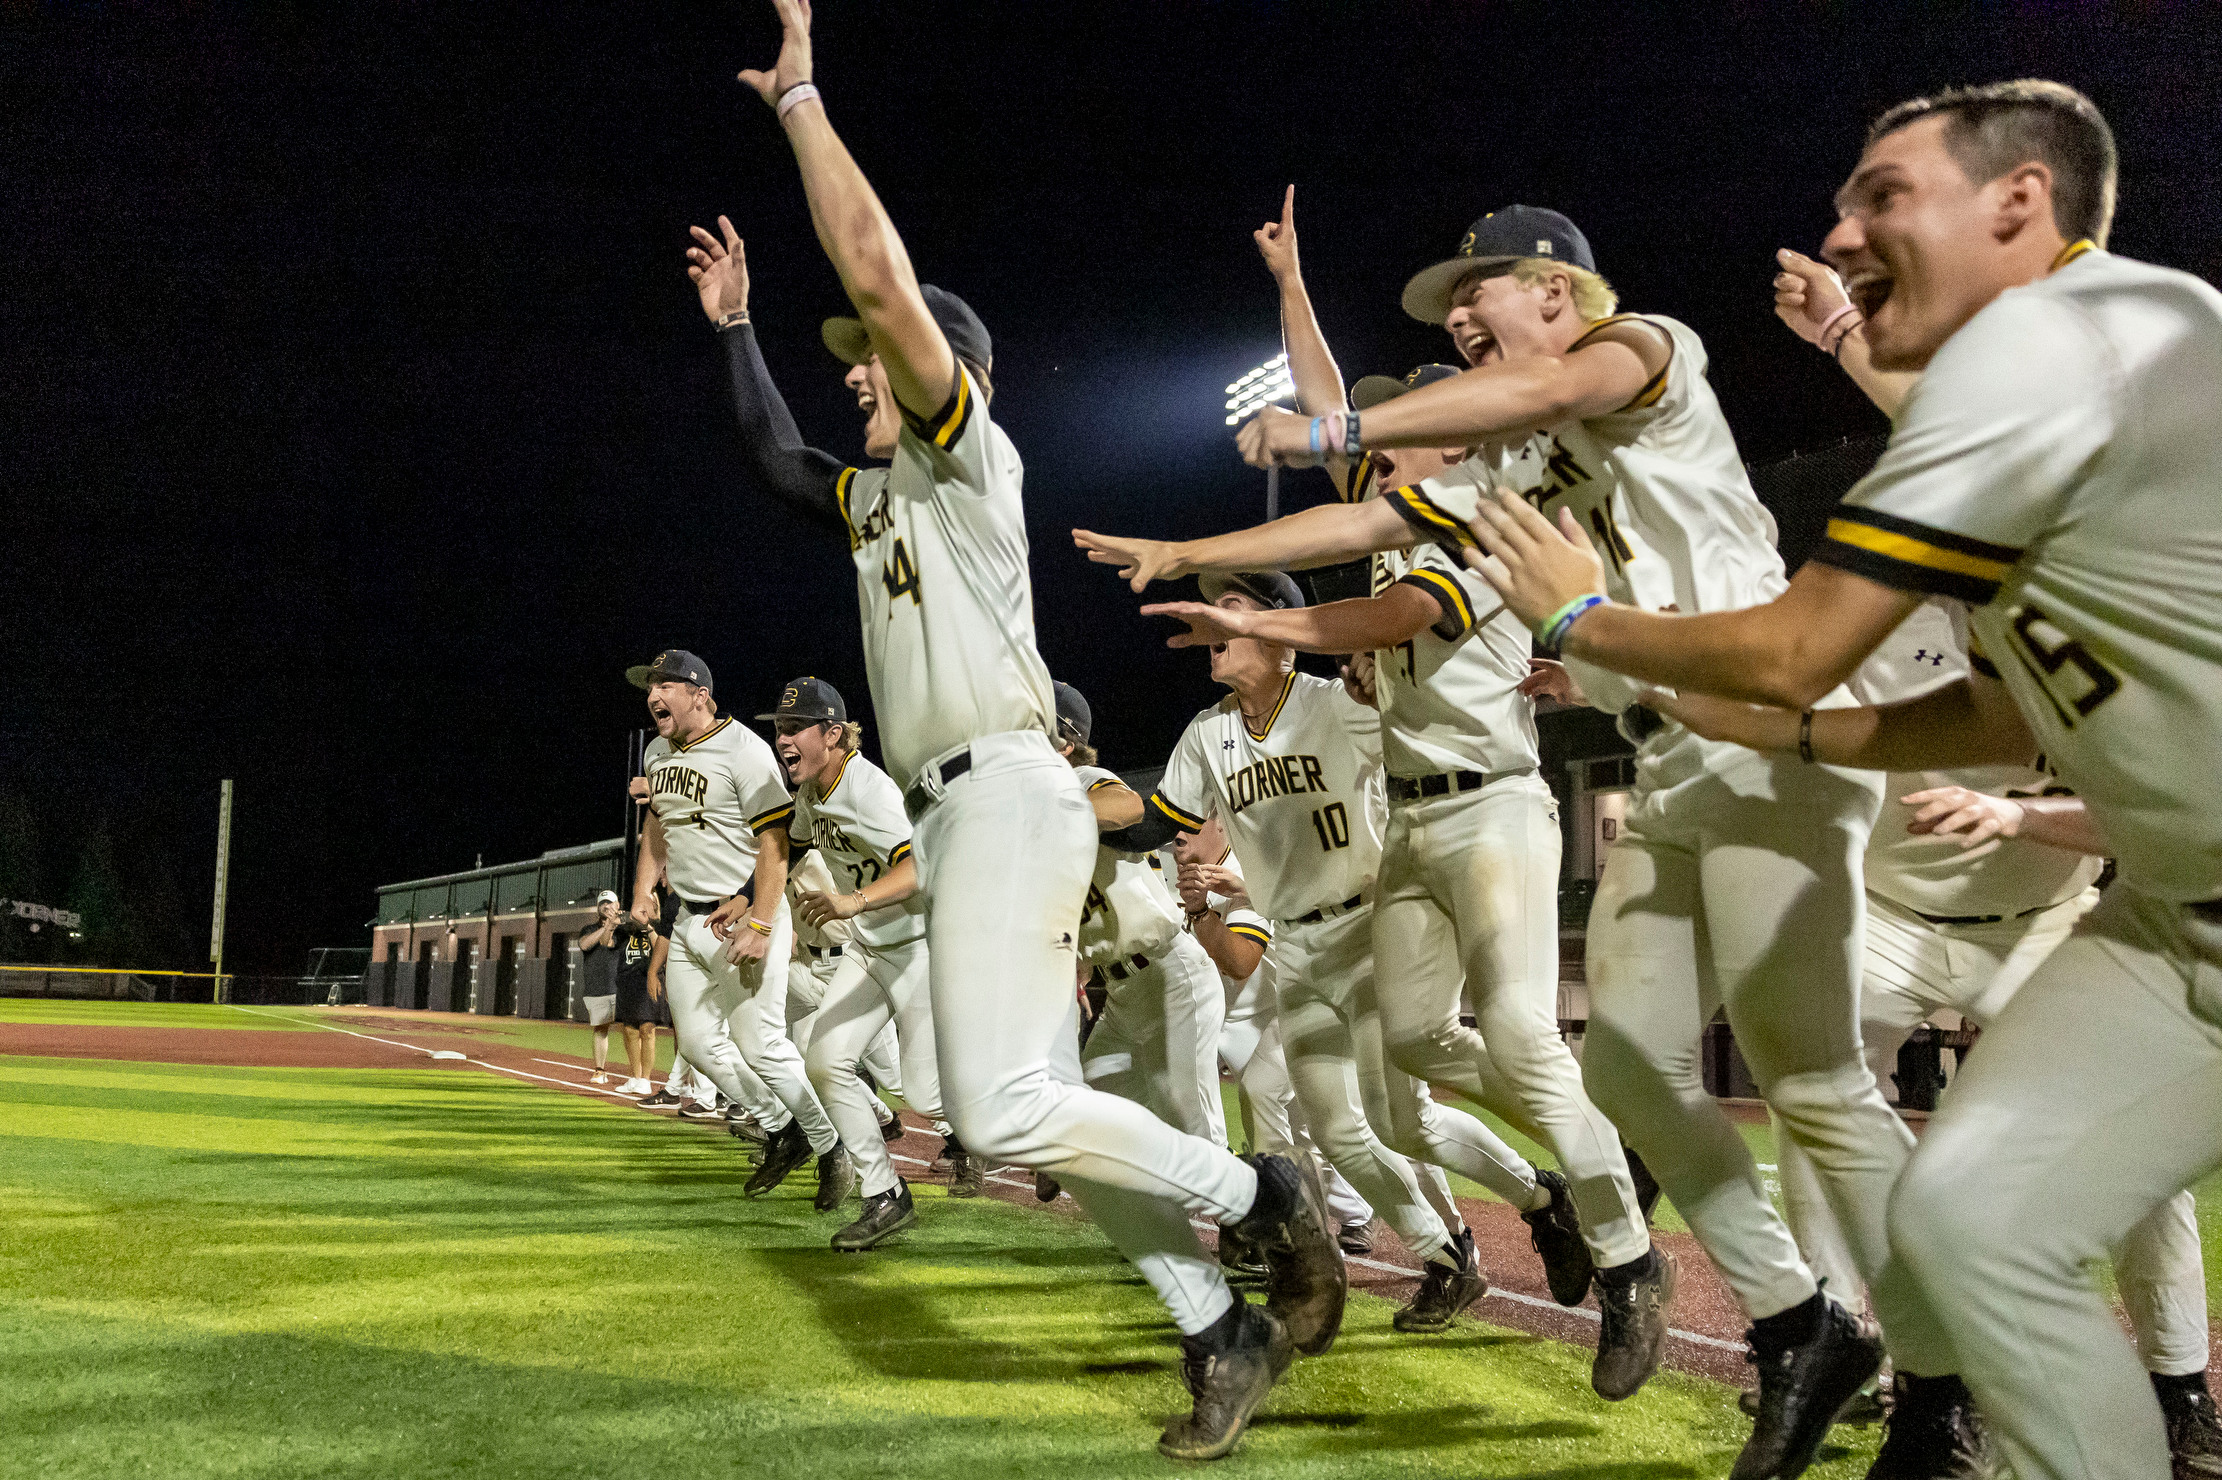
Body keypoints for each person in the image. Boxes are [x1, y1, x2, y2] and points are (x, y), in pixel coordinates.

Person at [1079, 200, 1932, 1479]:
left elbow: (1472, 427)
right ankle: (1800, 1322)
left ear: (1555, 286)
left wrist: (1336, 426)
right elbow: (1365, 518)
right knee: (1631, 1073)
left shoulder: (1642, 345)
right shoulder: (1511, 470)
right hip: (1668, 758)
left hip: (1762, 730)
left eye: (1475, 291)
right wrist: (1192, 545)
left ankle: (1943, 1376)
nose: (1457, 315)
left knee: (1805, 1082)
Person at [1454, 79, 2222, 1480]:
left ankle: (2133, 1396)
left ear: (2018, 201)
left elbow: (1802, 643)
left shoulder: (2084, 323)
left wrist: (1578, 622)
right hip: (2173, 921)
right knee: (1967, 1222)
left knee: (1902, 1151)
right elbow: (1990, 711)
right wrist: (1793, 737)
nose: (1842, 224)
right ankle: (1922, 1384)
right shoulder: (2057, 387)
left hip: (2131, 911)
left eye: (1883, 193)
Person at [695, 5, 1346, 1457]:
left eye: (870, 355)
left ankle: (1268, 1201)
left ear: (937, 369)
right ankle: (1217, 1329)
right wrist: (738, 332)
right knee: (1043, 1103)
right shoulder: (876, 503)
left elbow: (877, 272)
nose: (854, 367)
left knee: (993, 1112)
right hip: (963, 806)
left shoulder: (962, 452)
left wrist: (801, 107)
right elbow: (771, 454)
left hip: (1003, 792)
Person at [1128, 187, 1663, 1371]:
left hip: (1494, 801)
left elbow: (1399, 611)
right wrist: (1289, 288)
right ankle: (1572, 1156)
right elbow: (1328, 412)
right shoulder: (1395, 511)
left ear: (1452, 432)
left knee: (1517, 1035)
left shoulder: (1487, 512)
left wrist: (1272, 617)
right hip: (1412, 829)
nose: (1371, 439)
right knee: (1418, 1048)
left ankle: (1627, 1253)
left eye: (1398, 423)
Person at [1100, 569, 1551, 1343]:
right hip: (1295, 943)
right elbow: (1150, 824)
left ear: (1281, 632)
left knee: (1400, 1119)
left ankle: (1549, 1198)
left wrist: (1397, 698)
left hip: (1370, 925)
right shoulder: (1207, 732)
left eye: (1234, 610)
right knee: (1338, 1129)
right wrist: (1063, 809)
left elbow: (1422, 752)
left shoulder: (1332, 703)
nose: (1217, 625)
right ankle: (1447, 1258)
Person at [625, 647, 848, 1208]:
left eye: (665, 685)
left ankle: (833, 1148)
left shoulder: (745, 749)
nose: (653, 695)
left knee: (762, 1044)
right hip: (688, 920)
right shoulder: (657, 751)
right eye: (650, 686)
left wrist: (762, 919)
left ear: (700, 694)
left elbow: (777, 844)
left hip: (740, 923)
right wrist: (643, 886)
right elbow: (657, 822)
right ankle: (783, 1129)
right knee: (699, 1045)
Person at [767, 676, 946, 1249]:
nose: (783, 738)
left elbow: (917, 868)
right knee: (824, 1060)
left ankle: (1062, 1148)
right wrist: (752, 901)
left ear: (835, 733)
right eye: (780, 728)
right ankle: (885, 1195)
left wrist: (852, 901)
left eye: (796, 728)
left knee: (931, 1095)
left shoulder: (869, 790)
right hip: (872, 950)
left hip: (919, 946)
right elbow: (791, 844)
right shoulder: (812, 793)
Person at [1058, 682, 1230, 1147]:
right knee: (1083, 1102)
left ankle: (1255, 1209)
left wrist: (1047, 805)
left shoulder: (1074, 783)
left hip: (1170, 974)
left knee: (1197, 1129)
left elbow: (1128, 805)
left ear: (1065, 742)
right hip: (1121, 995)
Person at [577, 892, 630, 1089]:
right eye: (603, 903)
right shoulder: (589, 929)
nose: (606, 906)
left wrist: (618, 921)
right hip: (597, 987)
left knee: (631, 1029)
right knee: (601, 1029)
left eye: (610, 902)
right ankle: (600, 1070)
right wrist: (607, 926)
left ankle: (636, 1073)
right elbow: (585, 944)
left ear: (617, 903)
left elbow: (611, 942)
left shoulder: (624, 928)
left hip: (622, 986)